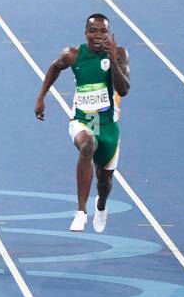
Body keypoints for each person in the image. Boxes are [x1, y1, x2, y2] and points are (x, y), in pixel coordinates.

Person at [34, 14, 130, 234]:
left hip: (107, 123)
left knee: (104, 182)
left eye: (102, 31)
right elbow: (54, 67)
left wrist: (113, 60)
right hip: (83, 118)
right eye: (93, 31)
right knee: (87, 145)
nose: (98, 36)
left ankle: (101, 205)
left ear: (109, 33)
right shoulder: (73, 55)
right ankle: (80, 212)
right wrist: (41, 98)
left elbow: (123, 89)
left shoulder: (120, 54)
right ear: (86, 33)